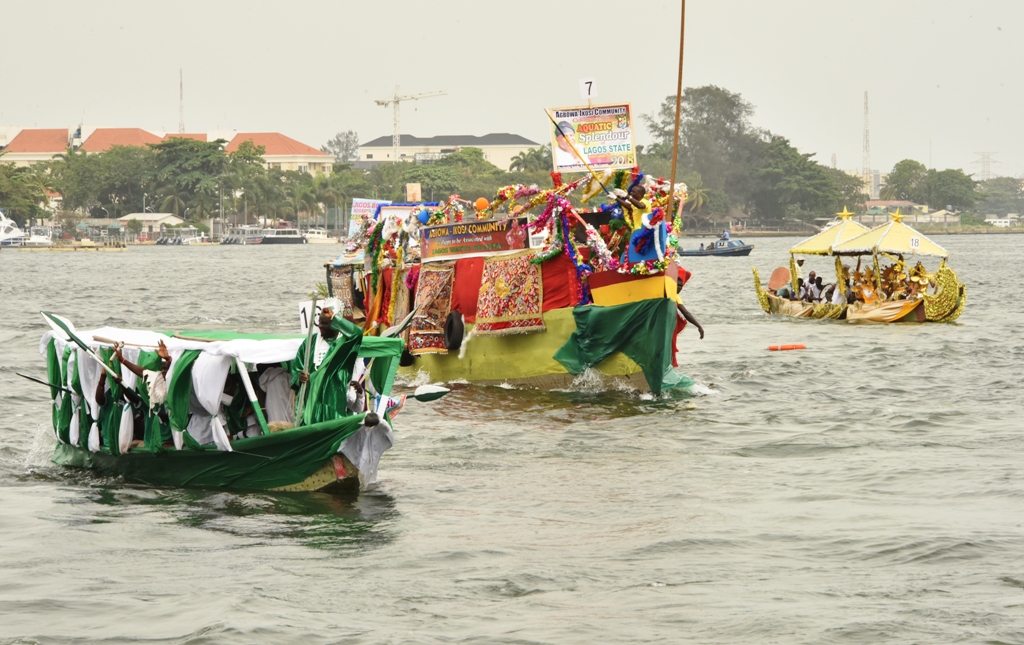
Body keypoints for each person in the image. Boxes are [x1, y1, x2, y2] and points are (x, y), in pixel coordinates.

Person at [290, 306, 363, 426]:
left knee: (334, 433)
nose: (320, 326)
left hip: (333, 400)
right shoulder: (310, 342)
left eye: (325, 323)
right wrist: (300, 377)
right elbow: (297, 369)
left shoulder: (344, 343)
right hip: (312, 403)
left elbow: (357, 334)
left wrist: (335, 317)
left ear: (335, 324)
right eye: (319, 323)